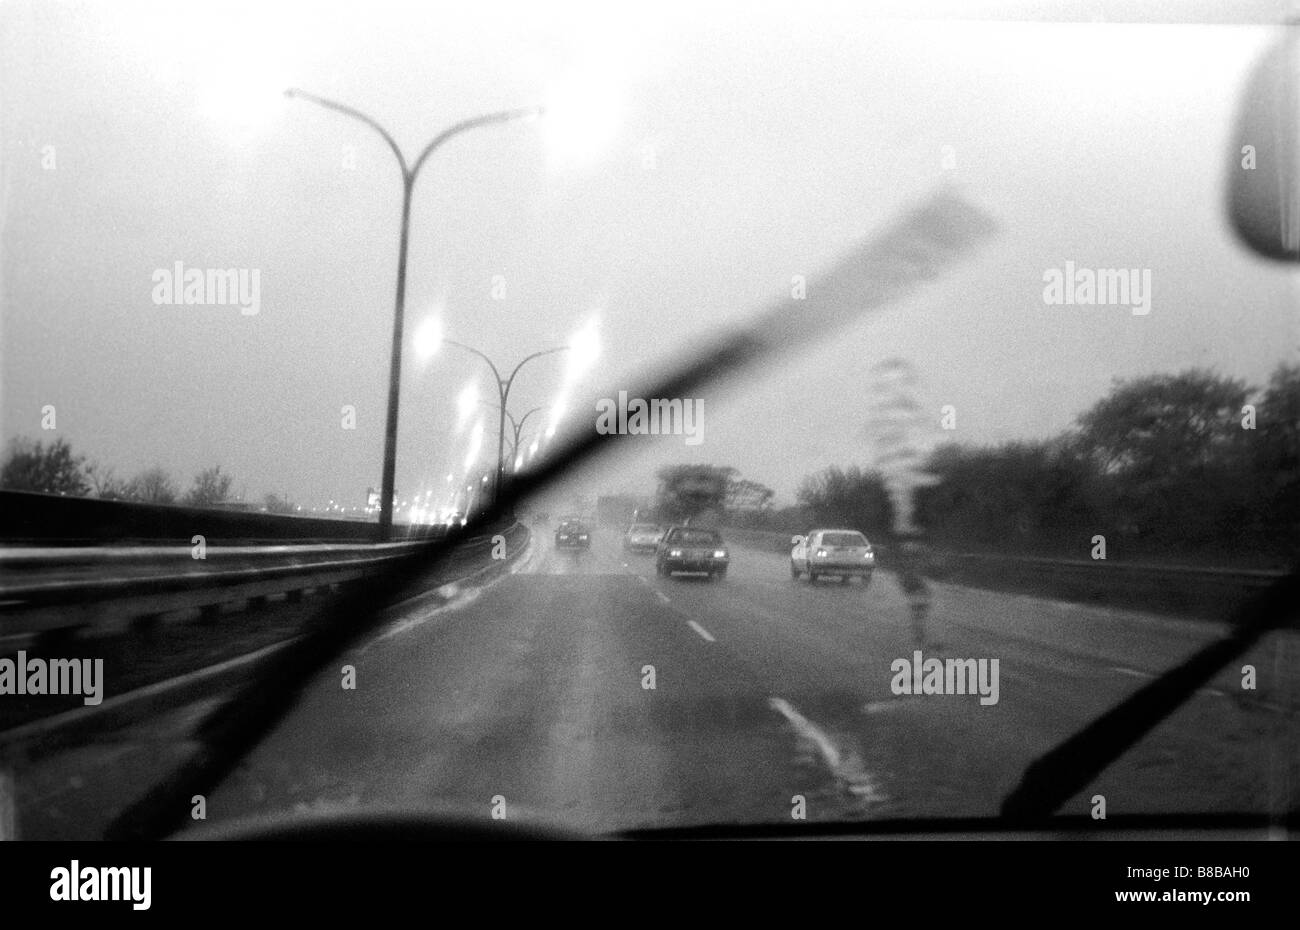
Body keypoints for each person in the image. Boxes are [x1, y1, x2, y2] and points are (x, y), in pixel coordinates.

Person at [896, 542, 933, 648]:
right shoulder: (912, 568)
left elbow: (905, 583)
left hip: (918, 594)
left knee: (918, 621)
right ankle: (921, 645)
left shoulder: (907, 568)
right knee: (919, 621)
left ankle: (921, 645)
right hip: (918, 594)